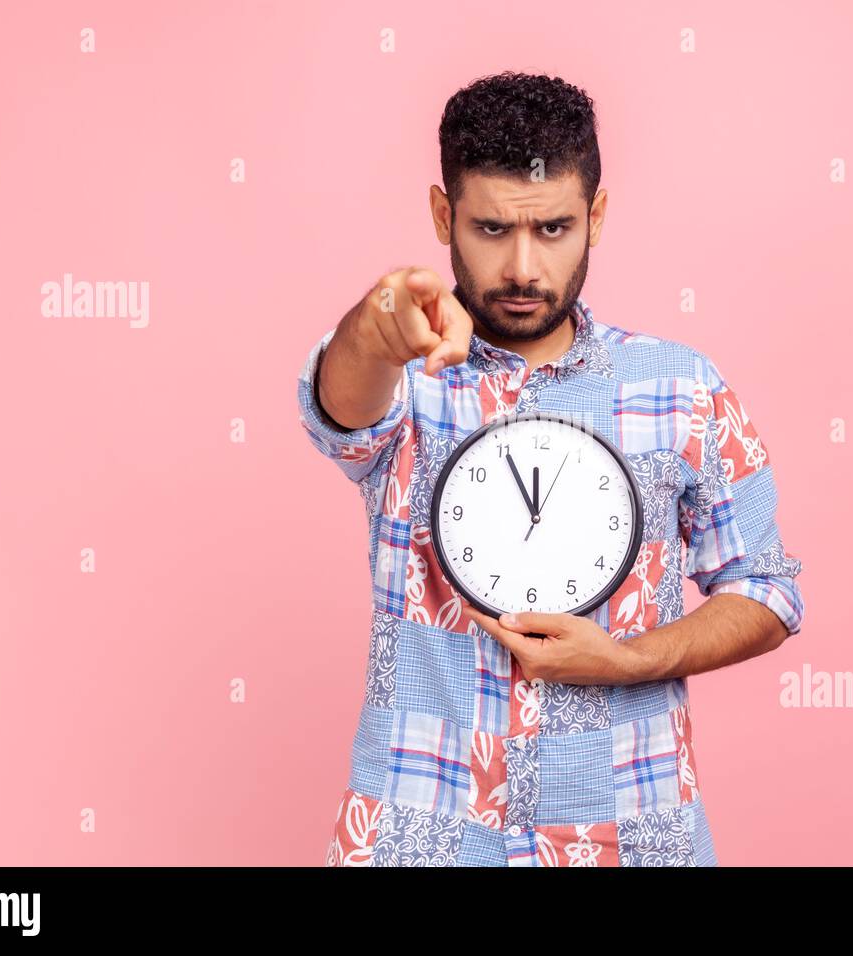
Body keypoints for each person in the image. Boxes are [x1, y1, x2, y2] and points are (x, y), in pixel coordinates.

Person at [298, 71, 804, 867]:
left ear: (596, 216)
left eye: (555, 229)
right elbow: (342, 407)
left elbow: (767, 589)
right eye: (493, 230)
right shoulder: (409, 377)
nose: (524, 269)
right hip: (422, 836)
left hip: (629, 836)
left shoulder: (680, 387)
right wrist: (375, 324)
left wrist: (628, 660)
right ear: (444, 215)